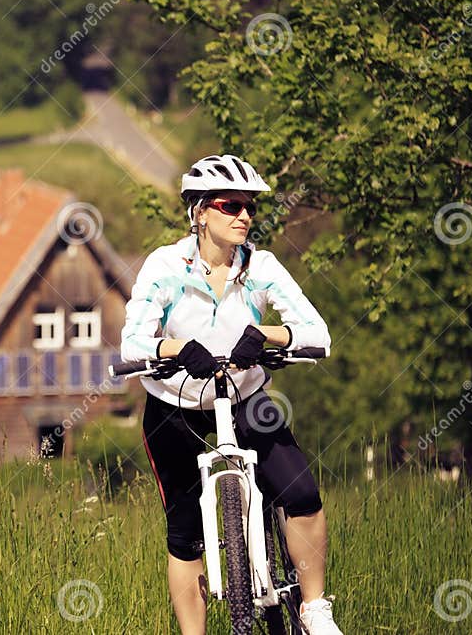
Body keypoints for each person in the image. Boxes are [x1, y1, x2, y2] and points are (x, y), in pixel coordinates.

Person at [120, 155, 344, 635]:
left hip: (245, 398)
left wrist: (266, 336)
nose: (244, 216)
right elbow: (132, 342)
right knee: (184, 535)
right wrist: (178, 348)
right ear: (199, 212)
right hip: (176, 406)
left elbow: (318, 334)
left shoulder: (260, 266)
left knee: (302, 494)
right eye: (230, 206)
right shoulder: (165, 266)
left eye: (249, 207)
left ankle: (313, 608)